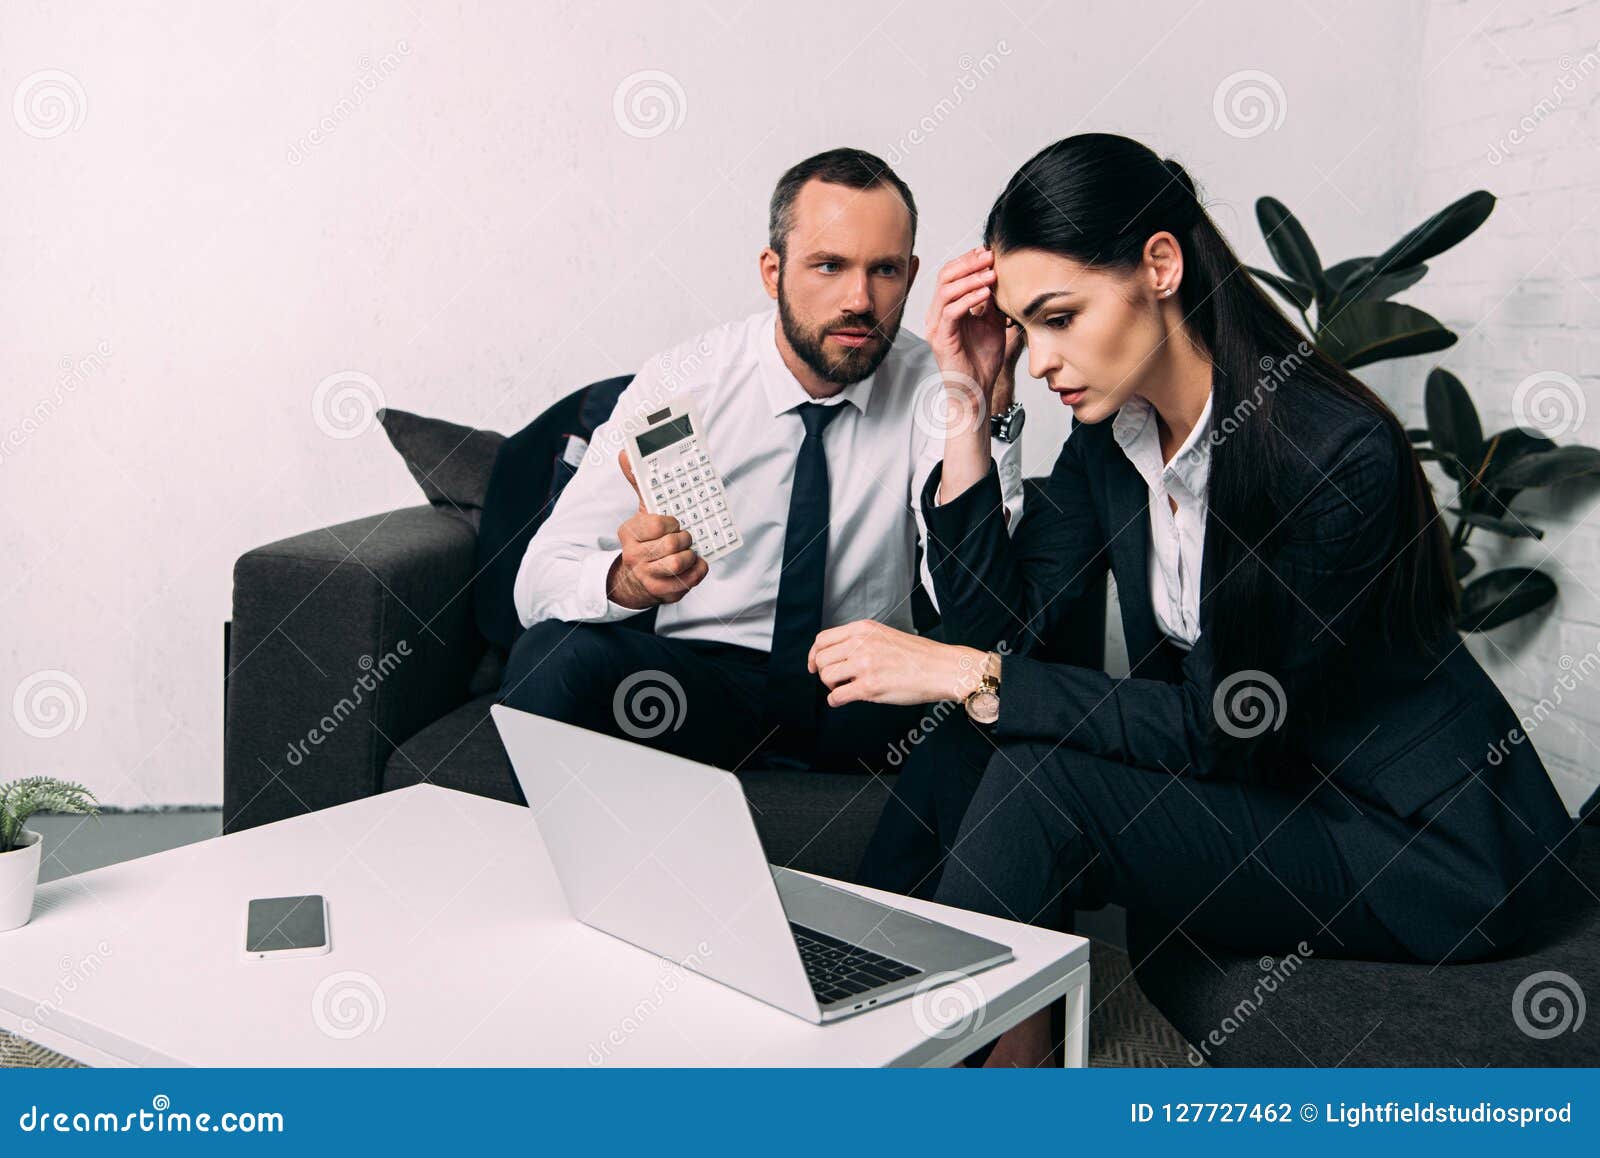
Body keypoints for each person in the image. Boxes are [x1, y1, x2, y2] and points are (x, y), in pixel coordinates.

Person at [811, 133, 1576, 1066]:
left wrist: (969, 671)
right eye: (1026, 328)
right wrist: (967, 402)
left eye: (1060, 316)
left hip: (1403, 840)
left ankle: (928, 1074)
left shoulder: (1331, 457)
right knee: (980, 720)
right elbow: (1002, 634)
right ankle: (864, 1017)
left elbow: (1231, 729)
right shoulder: (1113, 440)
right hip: (1272, 796)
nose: (1043, 359)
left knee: (1032, 762)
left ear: (1160, 267)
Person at [501, 148, 1025, 775]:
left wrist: (982, 404)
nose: (859, 299)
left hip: (862, 688)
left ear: (911, 276)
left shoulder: (938, 380)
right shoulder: (684, 379)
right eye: (828, 265)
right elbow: (537, 585)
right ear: (772, 272)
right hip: (705, 685)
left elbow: (977, 610)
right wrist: (627, 582)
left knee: (995, 705)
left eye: (883, 270)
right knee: (551, 659)